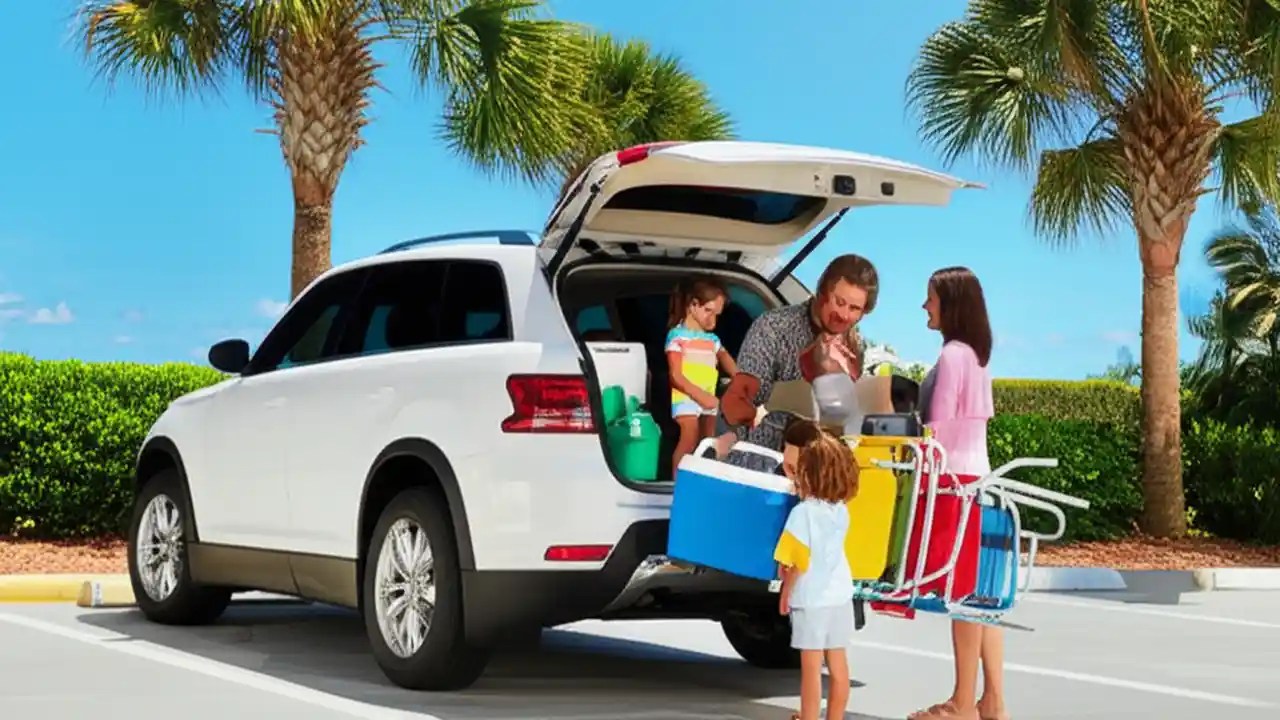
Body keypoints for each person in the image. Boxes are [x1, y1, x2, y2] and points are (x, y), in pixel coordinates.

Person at [908, 266, 1001, 720]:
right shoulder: (978, 356)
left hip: (953, 481)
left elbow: (937, 431)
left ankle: (962, 704)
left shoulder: (951, 355)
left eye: (931, 298)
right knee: (982, 595)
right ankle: (993, 700)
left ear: (951, 304)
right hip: (979, 477)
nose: (925, 306)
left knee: (961, 595)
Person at [718, 254, 880, 470]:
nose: (843, 315)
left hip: (820, 470)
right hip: (765, 463)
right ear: (822, 292)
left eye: (854, 309)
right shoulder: (773, 328)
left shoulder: (855, 348)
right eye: (839, 302)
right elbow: (742, 404)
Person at [774, 420, 861, 720]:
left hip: (810, 600)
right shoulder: (841, 511)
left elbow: (796, 561)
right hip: (839, 596)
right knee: (838, 667)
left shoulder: (801, 514)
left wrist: (785, 591)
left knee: (811, 669)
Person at [666, 275, 738, 475]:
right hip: (687, 397)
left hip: (709, 397)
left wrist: (741, 380)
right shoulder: (677, 336)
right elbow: (676, 376)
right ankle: (678, 481)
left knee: (707, 443)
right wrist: (701, 396)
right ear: (693, 305)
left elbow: (728, 362)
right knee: (689, 439)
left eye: (716, 314)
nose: (712, 319)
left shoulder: (712, 340)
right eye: (708, 311)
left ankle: (699, 478)